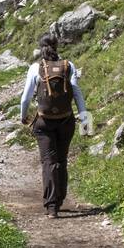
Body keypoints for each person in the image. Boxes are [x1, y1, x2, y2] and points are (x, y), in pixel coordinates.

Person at [19, 34, 89, 218]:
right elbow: (77, 94)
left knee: (49, 161)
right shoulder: (68, 65)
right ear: (57, 47)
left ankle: (51, 207)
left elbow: (25, 98)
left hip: (44, 122)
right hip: (66, 120)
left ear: (40, 48)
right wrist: (85, 119)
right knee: (62, 159)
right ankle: (60, 198)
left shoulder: (35, 68)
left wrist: (23, 116)